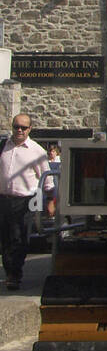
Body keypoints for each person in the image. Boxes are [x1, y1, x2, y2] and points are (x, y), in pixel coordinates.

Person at [0, 114, 56, 291]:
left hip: (25, 200)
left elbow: (47, 180)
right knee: (5, 238)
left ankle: (14, 274)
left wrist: (50, 201)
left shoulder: (36, 151)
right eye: (16, 126)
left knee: (18, 237)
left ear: (30, 129)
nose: (19, 130)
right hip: (4, 198)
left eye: (23, 128)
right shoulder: (4, 146)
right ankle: (10, 270)